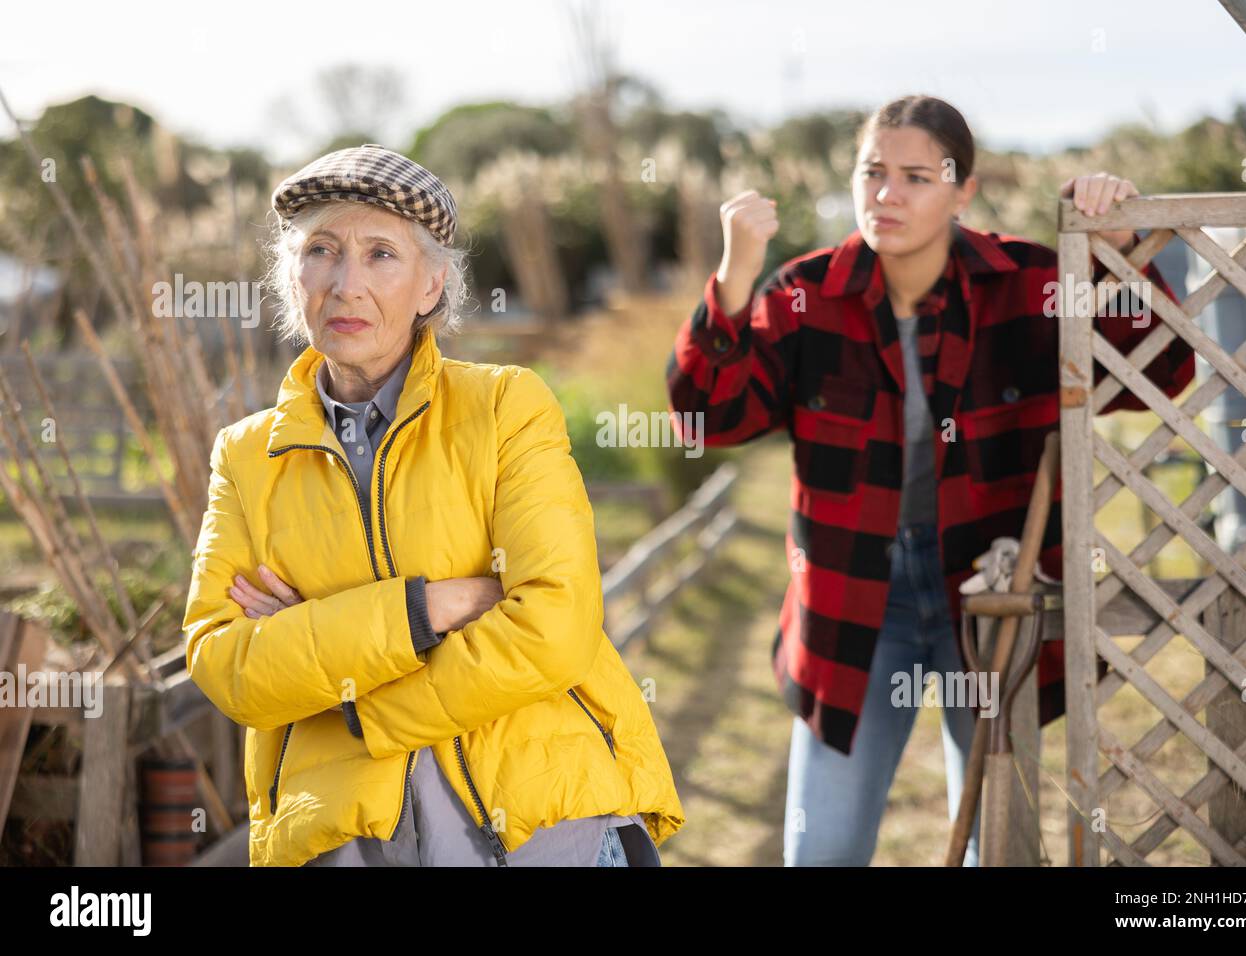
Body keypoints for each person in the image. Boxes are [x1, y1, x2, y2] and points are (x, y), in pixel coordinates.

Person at [665, 96, 1194, 866]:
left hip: (987, 591)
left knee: (991, 841)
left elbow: (1167, 372)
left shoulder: (1028, 281)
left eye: (917, 176)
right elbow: (704, 420)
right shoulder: (801, 297)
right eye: (872, 171)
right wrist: (733, 282)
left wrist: (1119, 246)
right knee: (823, 849)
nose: (887, 193)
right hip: (852, 600)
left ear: (963, 190)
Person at [183, 144, 684, 867]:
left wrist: (347, 694)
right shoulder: (244, 456)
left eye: (381, 254)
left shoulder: (506, 406)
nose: (346, 283)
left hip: (549, 837)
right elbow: (226, 664)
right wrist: (429, 609)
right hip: (346, 846)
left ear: (431, 286)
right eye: (321, 250)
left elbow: (555, 626)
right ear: (293, 279)